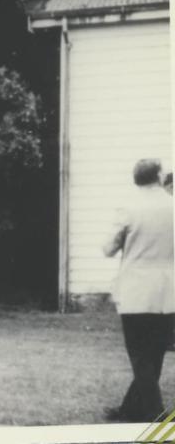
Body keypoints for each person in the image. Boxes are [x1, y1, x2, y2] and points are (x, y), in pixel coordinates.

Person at [102, 158, 175, 422]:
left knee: (140, 354)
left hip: (136, 290)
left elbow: (108, 248)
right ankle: (130, 410)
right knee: (154, 353)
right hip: (168, 291)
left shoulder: (128, 207)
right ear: (159, 176)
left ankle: (155, 414)